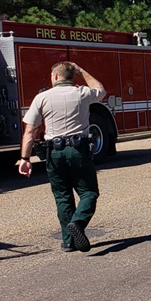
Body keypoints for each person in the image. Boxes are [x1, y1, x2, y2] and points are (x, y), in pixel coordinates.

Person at [17, 61, 106, 253]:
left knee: (63, 196)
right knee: (89, 192)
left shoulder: (42, 98)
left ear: (55, 76)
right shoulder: (82, 93)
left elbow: (30, 132)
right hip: (78, 150)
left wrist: (25, 159)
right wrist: (82, 71)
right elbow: (100, 89)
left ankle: (68, 241)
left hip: (54, 152)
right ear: (72, 76)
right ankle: (78, 223)